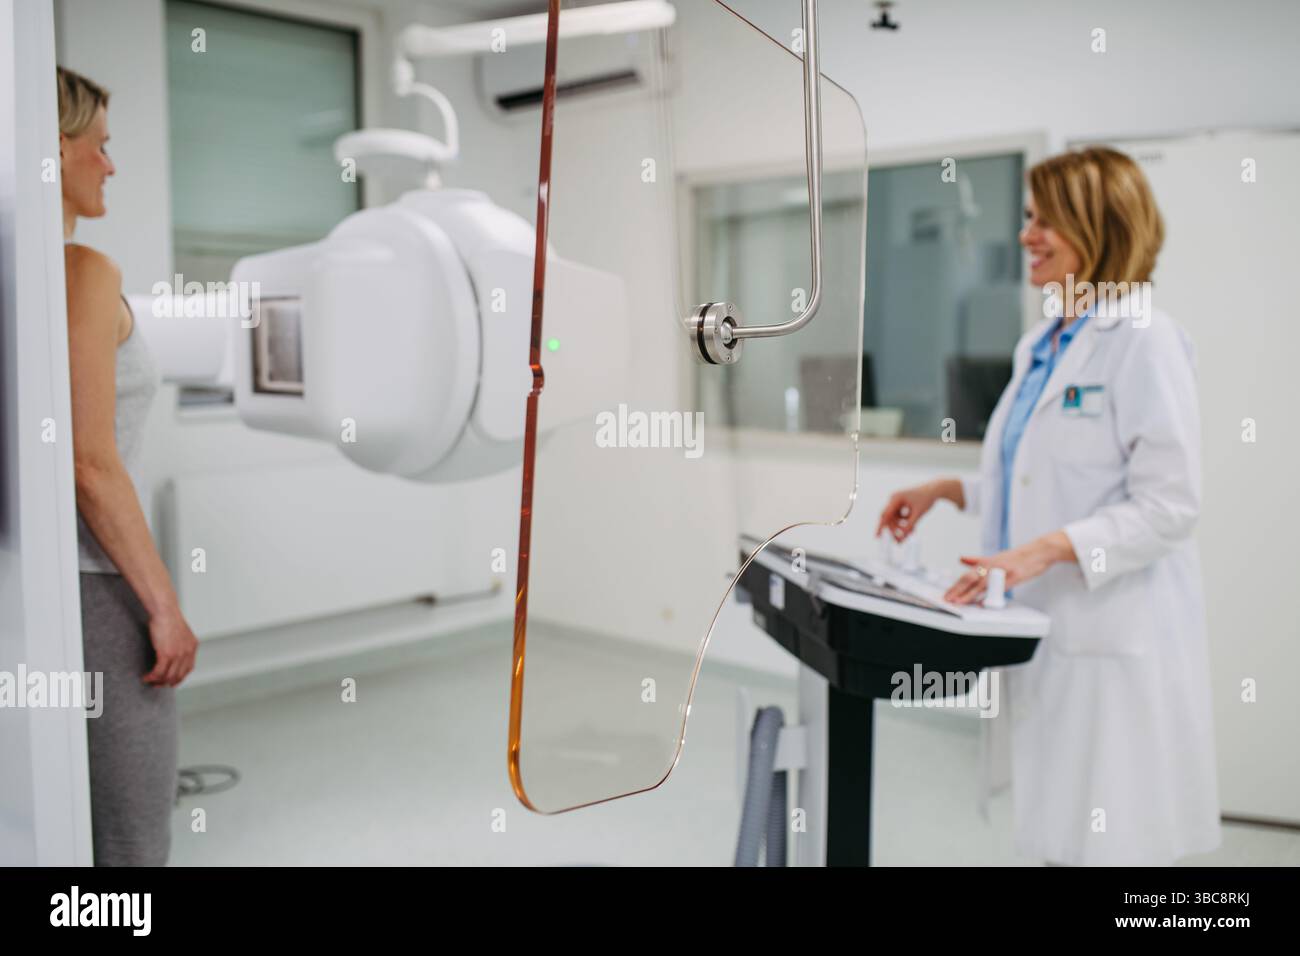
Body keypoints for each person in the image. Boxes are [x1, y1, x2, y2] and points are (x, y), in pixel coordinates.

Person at [876, 147, 1220, 866]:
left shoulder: (1143, 339)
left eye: (1048, 220)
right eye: (1029, 217)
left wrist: (1037, 553)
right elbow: (1035, 477)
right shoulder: (1043, 343)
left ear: (1103, 226)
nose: (1028, 235)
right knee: (1061, 829)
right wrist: (947, 491)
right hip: (1045, 622)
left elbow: (1170, 505)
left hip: (1110, 629)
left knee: (1112, 836)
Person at [60, 65, 199, 866]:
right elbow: (90, 461)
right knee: (131, 835)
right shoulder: (84, 271)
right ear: (59, 148)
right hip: (99, 585)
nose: (111, 165)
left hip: (44, 583)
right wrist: (164, 607)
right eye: (101, 146)